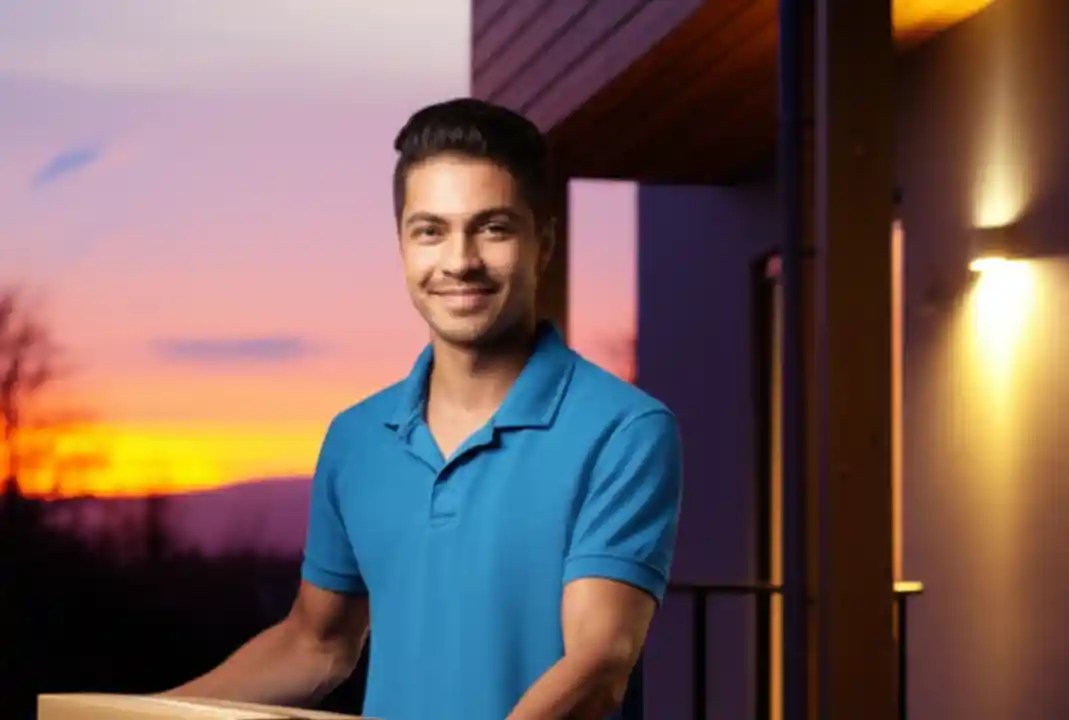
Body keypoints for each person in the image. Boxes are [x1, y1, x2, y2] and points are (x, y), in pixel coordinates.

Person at [164, 98, 683, 720]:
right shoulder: (357, 439)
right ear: (403, 245)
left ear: (542, 242)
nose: (459, 261)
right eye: (431, 230)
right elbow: (315, 644)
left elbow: (598, 666)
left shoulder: (623, 430)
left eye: (492, 228)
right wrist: (131, 715)